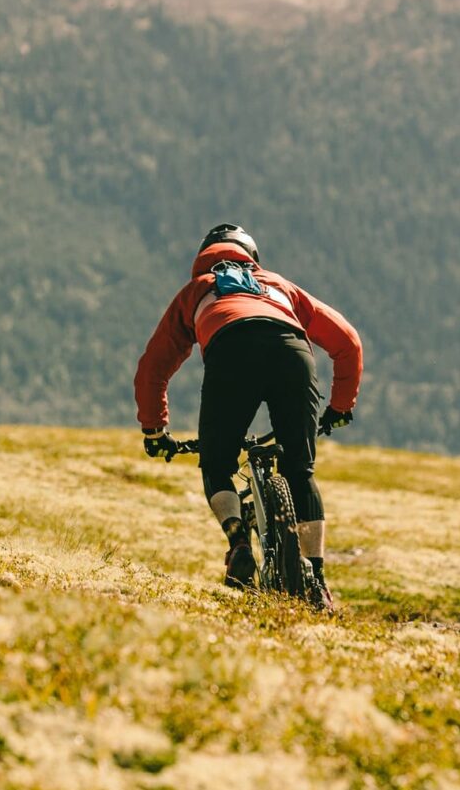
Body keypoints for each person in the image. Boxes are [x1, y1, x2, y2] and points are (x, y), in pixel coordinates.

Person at [135, 224, 362, 607]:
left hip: (232, 349)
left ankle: (238, 541)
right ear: (251, 257)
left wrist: (155, 429)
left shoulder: (197, 290)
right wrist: (340, 407)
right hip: (293, 353)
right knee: (300, 471)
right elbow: (348, 342)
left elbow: (153, 367)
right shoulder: (278, 285)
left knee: (218, 463)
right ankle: (318, 580)